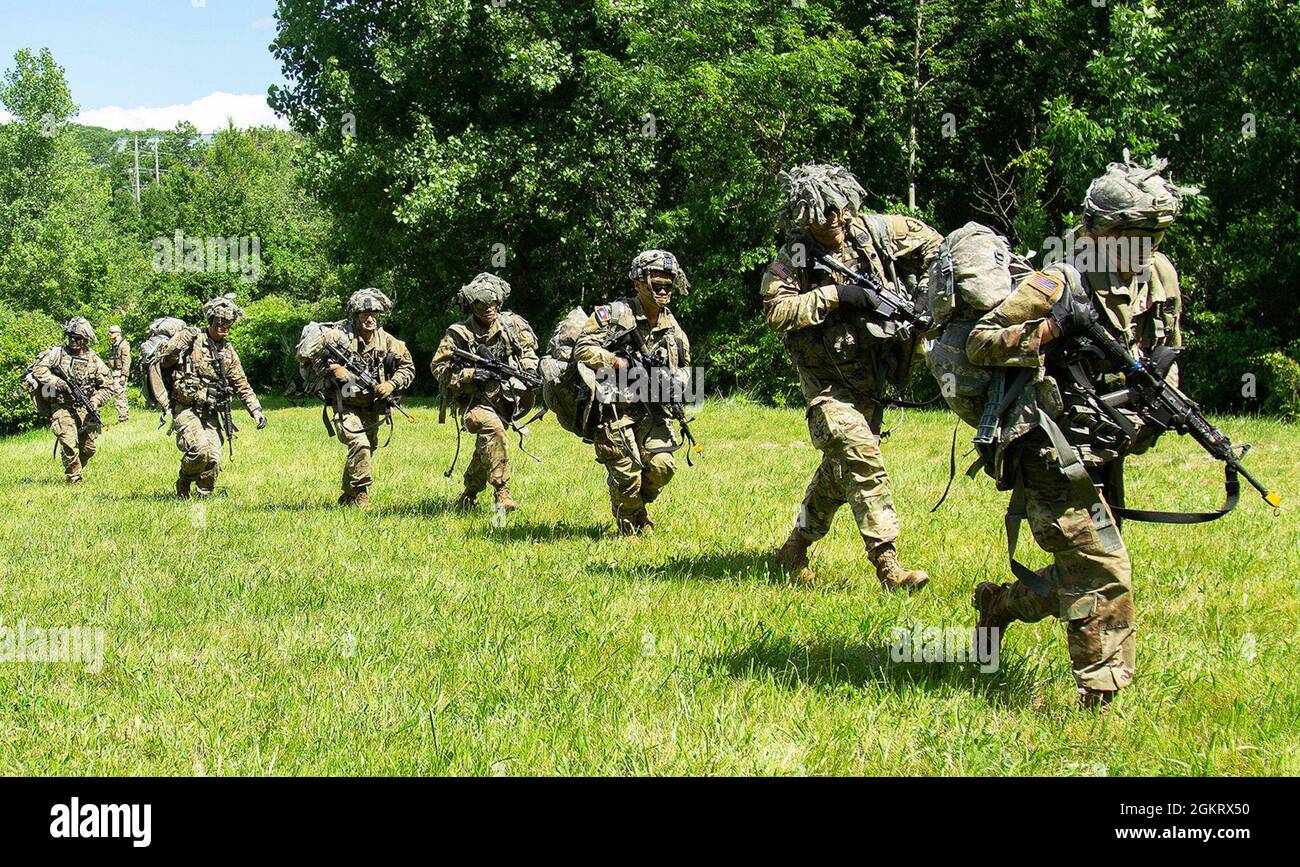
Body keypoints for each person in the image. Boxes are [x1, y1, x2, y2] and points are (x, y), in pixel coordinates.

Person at [967, 154, 1192, 708]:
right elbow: (980, 342)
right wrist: (1049, 330)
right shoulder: (1058, 281)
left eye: (1153, 235)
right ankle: (1100, 699)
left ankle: (999, 606)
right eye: (1130, 234)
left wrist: (1165, 407)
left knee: (1082, 570)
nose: (1143, 248)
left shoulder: (1159, 276)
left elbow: (1167, 349)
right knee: (1102, 570)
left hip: (1107, 442)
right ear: (1095, 230)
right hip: (1048, 446)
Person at [762, 163, 940, 590]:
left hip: (873, 382)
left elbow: (934, 242)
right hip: (827, 387)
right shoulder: (795, 258)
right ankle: (888, 565)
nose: (834, 217)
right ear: (805, 214)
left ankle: (794, 547)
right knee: (862, 457)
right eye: (822, 211)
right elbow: (776, 312)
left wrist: (924, 293)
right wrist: (836, 296)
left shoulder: (875, 232)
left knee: (838, 476)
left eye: (839, 206)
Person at [573, 250, 692, 536]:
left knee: (663, 466)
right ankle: (629, 526)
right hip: (614, 408)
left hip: (652, 408)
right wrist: (616, 362)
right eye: (657, 284)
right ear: (639, 284)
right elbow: (582, 348)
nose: (664, 290)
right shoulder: (613, 315)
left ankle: (637, 508)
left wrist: (672, 382)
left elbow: (686, 366)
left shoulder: (672, 327)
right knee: (628, 475)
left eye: (668, 284)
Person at [431, 273, 539, 512]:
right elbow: (437, 368)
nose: (488, 309)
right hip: (473, 401)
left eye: (493, 304)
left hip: (507, 398)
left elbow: (529, 352)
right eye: (481, 304)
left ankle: (469, 493)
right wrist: (470, 375)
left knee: (486, 445)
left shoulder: (513, 326)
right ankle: (502, 492)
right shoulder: (458, 334)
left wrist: (529, 372)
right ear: (472, 305)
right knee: (494, 430)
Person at [314, 288, 415, 507]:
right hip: (345, 404)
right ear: (355, 315)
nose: (369, 319)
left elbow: (408, 368)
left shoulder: (388, 341)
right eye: (363, 315)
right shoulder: (340, 338)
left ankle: (347, 495)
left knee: (368, 447)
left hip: (372, 406)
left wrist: (391, 384)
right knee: (359, 443)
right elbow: (317, 362)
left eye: (374, 315)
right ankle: (362, 496)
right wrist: (334, 369)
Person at [159, 294, 267, 498]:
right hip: (186, 408)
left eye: (228, 322)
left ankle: (204, 495)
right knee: (199, 450)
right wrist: (179, 340)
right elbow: (165, 360)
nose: (224, 326)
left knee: (214, 458)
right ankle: (183, 482)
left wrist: (256, 410)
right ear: (211, 320)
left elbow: (241, 384)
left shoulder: (228, 351)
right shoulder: (192, 341)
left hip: (210, 412)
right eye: (220, 321)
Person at [30, 318, 114, 484]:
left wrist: (95, 402)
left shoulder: (94, 360)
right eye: (70, 337)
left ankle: (76, 466)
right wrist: (58, 383)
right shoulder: (56, 354)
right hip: (61, 406)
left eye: (77, 338)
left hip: (85, 408)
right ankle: (74, 479)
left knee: (88, 449)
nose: (73, 341)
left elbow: (108, 387)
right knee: (69, 443)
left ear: (86, 339)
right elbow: (38, 369)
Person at [107, 325, 131, 422]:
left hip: (120, 373)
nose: (110, 334)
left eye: (111, 332)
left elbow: (127, 360)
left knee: (120, 394)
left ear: (117, 333)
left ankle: (123, 417)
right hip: (114, 372)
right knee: (117, 395)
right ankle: (122, 416)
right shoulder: (115, 344)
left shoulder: (123, 344)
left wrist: (123, 375)